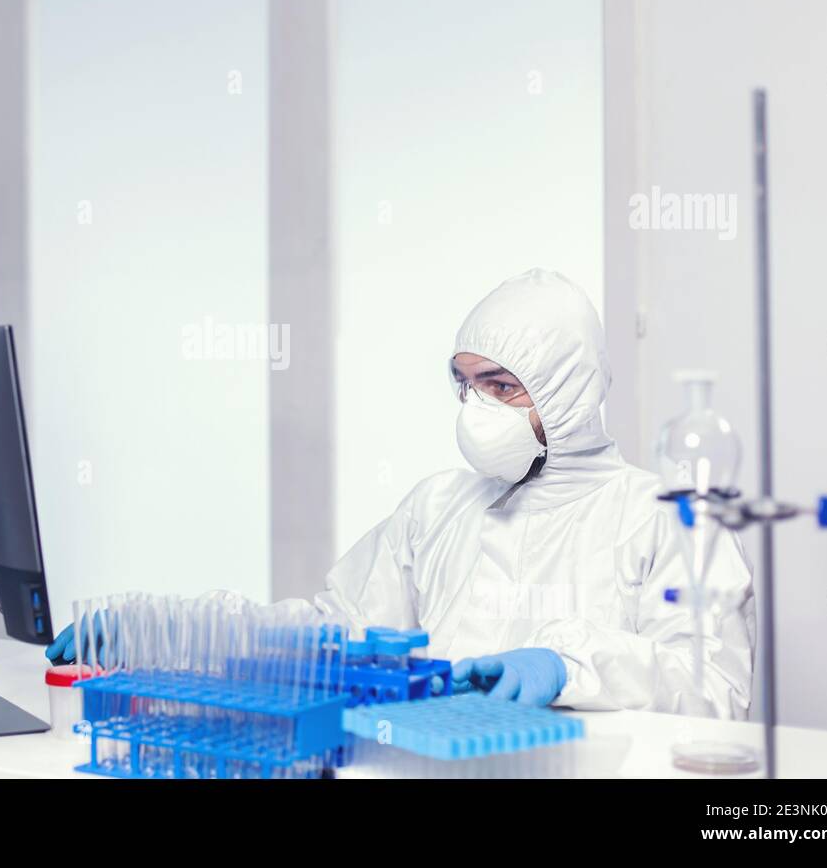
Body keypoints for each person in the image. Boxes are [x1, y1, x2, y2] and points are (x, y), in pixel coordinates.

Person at [48, 269, 755, 719]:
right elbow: (335, 637)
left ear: (565, 391)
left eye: (503, 386)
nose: (478, 406)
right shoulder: (439, 506)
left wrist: (566, 667)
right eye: (468, 383)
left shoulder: (663, 518)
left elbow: (712, 688)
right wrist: (163, 634)